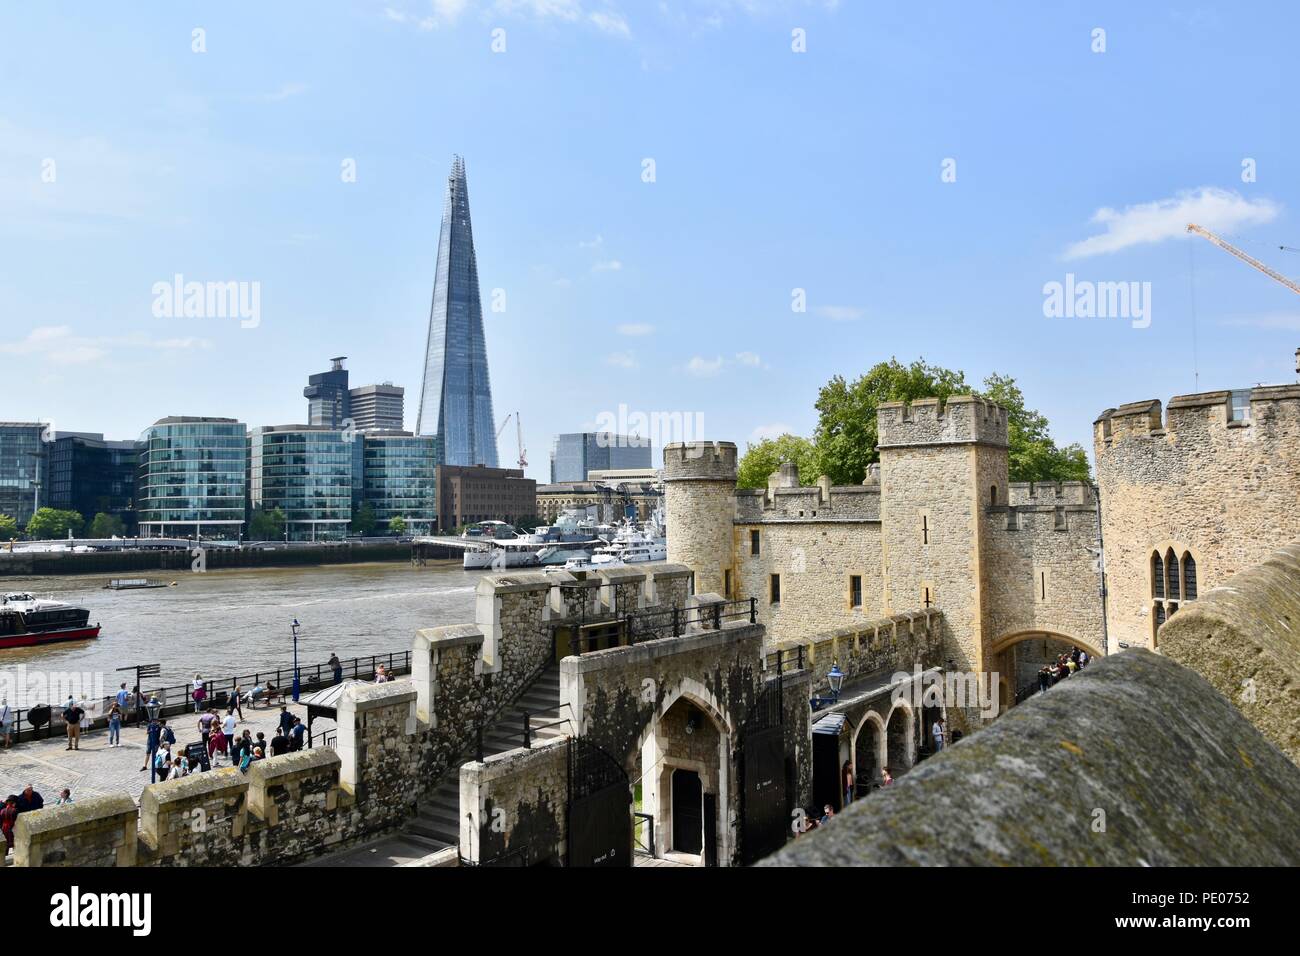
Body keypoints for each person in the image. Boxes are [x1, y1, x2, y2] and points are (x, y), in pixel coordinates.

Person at [141, 716, 162, 781]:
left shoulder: (159, 727)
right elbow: (147, 732)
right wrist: (151, 730)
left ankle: (155, 766)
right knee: (148, 753)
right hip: (150, 742)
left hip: (156, 742)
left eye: (155, 720)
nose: (154, 721)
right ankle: (145, 766)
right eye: (153, 720)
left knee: (155, 755)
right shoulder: (150, 725)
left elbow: (160, 734)